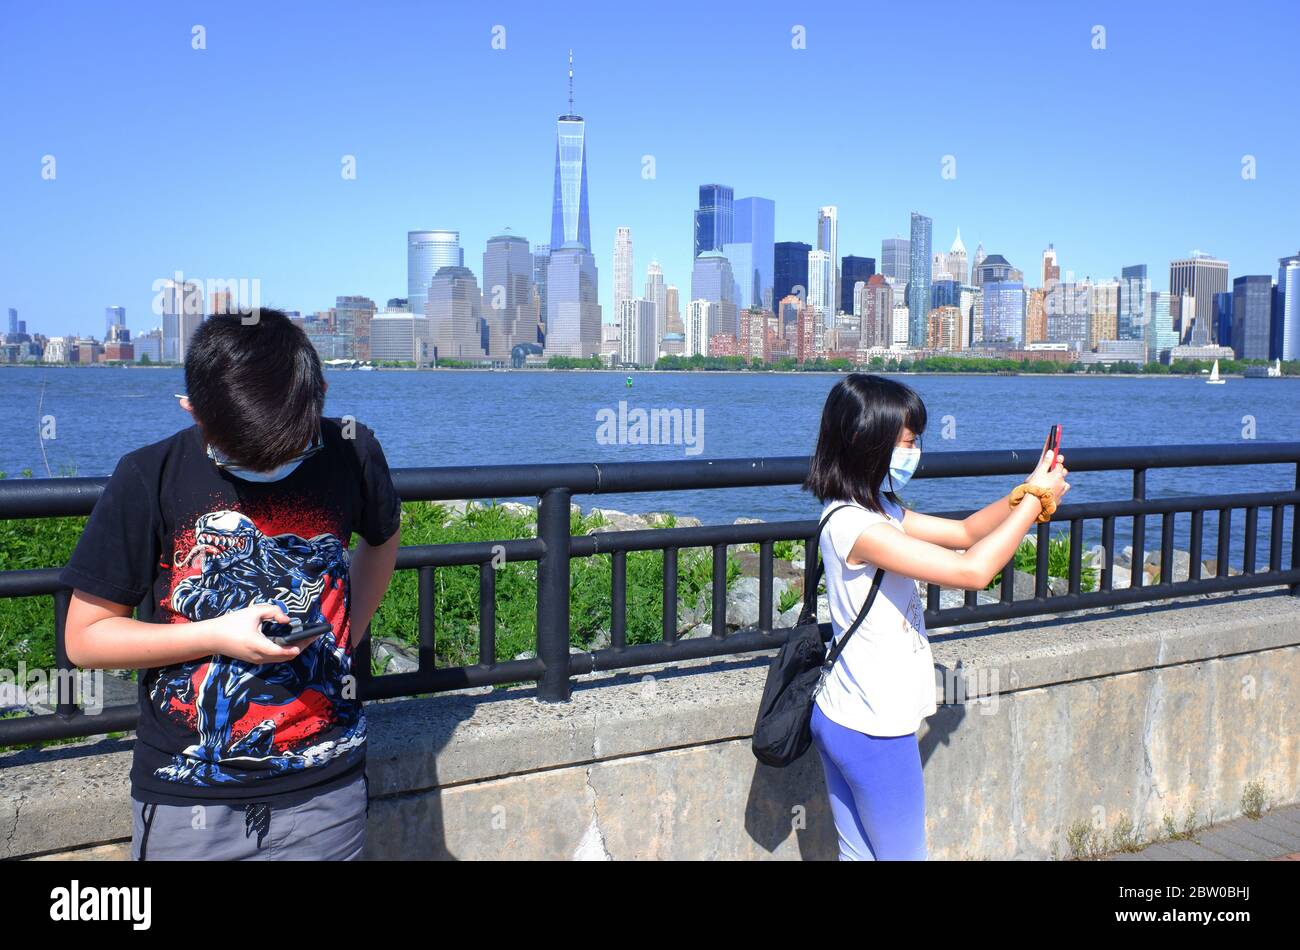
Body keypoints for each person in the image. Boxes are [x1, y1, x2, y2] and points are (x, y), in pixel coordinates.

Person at [60, 308, 402, 860]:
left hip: (328, 792)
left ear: (320, 395)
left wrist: (345, 635)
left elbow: (382, 538)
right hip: (189, 805)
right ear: (191, 410)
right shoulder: (151, 475)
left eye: (292, 448)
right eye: (242, 458)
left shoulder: (351, 448)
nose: (269, 468)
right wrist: (218, 636)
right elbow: (85, 637)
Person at [802, 373, 1069, 860]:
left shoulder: (873, 509)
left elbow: (966, 533)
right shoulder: (857, 527)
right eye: (907, 442)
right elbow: (973, 571)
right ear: (867, 441)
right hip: (874, 727)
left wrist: (1026, 489)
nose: (914, 452)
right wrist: (1037, 503)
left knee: (859, 856)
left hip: (842, 713)